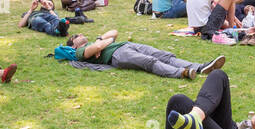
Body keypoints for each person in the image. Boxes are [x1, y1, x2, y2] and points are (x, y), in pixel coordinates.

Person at [58, 30, 226, 80]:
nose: (81, 34)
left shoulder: (94, 42)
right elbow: (104, 43)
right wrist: (101, 43)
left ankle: (201, 67)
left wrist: (100, 39)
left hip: (128, 45)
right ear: (74, 43)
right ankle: (182, 73)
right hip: (117, 56)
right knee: (150, 62)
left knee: (165, 55)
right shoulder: (80, 52)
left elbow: (114, 32)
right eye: (77, 36)